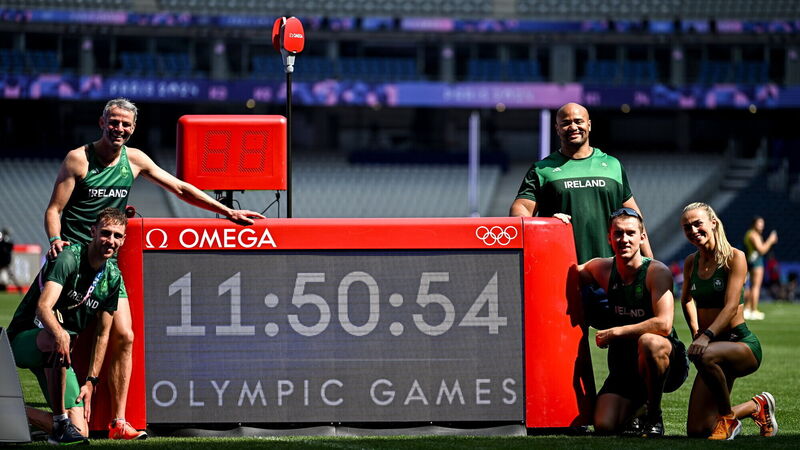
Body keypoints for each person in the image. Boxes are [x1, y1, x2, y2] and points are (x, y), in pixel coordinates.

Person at [44, 97, 265, 439]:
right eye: (113, 122)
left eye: (126, 124)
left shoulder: (135, 160)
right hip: (73, 261)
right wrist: (56, 239)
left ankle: (117, 422)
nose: (119, 129)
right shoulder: (78, 158)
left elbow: (178, 187)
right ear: (102, 122)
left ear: (133, 128)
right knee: (56, 339)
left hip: (107, 265)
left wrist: (228, 211)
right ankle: (61, 414)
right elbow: (54, 209)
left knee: (126, 336)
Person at [6, 208, 127, 445]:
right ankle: (60, 422)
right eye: (105, 233)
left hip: (59, 354)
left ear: (123, 240)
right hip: (26, 340)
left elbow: (103, 334)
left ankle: (9, 412)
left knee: (80, 432)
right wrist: (60, 334)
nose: (110, 240)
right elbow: (44, 307)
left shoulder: (112, 277)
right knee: (58, 339)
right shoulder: (70, 258)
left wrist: (91, 381)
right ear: (93, 232)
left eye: (117, 236)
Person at [577, 208, 688, 437]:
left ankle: (654, 414)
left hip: (664, 360)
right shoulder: (601, 268)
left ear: (642, 237)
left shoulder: (656, 272)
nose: (624, 239)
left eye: (630, 233)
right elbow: (564, 274)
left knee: (650, 342)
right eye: (618, 233)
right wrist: (554, 224)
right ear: (609, 238)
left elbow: (664, 324)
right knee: (605, 426)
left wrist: (617, 332)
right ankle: (639, 408)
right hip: (624, 367)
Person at [679, 202, 777, 440]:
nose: (693, 230)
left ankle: (728, 420)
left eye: (697, 223)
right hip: (710, 348)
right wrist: (695, 331)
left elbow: (732, 306)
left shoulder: (735, 257)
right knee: (697, 430)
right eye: (687, 227)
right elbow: (686, 300)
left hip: (740, 344)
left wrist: (706, 336)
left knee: (703, 354)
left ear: (713, 222)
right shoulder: (691, 261)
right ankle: (757, 406)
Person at [510, 102, 651, 264]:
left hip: (610, 270)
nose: (573, 127)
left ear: (589, 125)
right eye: (566, 123)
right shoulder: (541, 170)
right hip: (561, 268)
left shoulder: (613, 166)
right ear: (557, 129)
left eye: (578, 121)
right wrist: (546, 225)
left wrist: (650, 263)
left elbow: (636, 220)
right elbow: (520, 210)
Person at [743, 216, 777, 320]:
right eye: (759, 223)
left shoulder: (750, 233)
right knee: (755, 286)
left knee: (749, 286)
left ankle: (747, 309)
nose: (761, 226)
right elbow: (761, 250)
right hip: (756, 262)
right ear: (754, 224)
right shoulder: (753, 234)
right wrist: (770, 241)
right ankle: (754, 310)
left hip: (750, 260)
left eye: (762, 223)